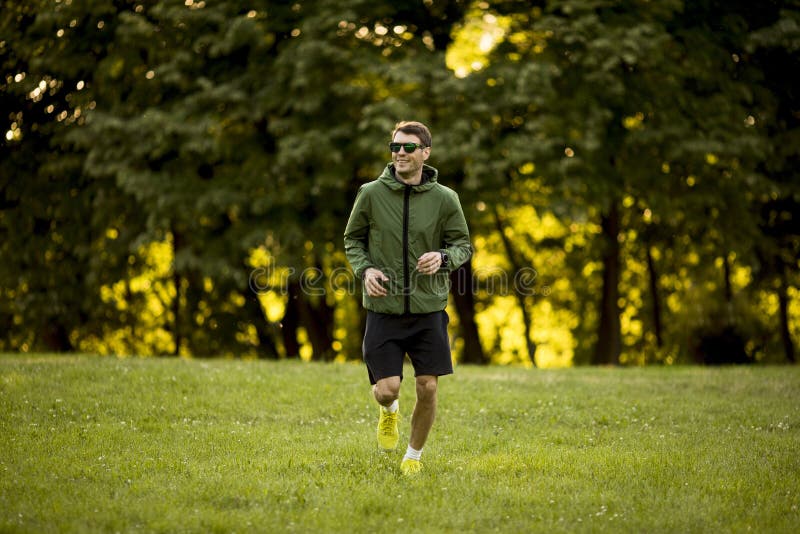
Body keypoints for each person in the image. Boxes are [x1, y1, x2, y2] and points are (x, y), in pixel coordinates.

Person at [343, 121, 472, 476]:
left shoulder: (446, 199)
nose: (400, 152)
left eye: (408, 147)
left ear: (425, 153)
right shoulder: (370, 193)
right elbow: (352, 240)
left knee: (428, 386)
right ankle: (389, 412)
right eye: (395, 146)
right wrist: (365, 270)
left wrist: (444, 258)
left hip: (428, 308)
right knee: (386, 390)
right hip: (383, 308)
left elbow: (463, 244)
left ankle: (413, 458)